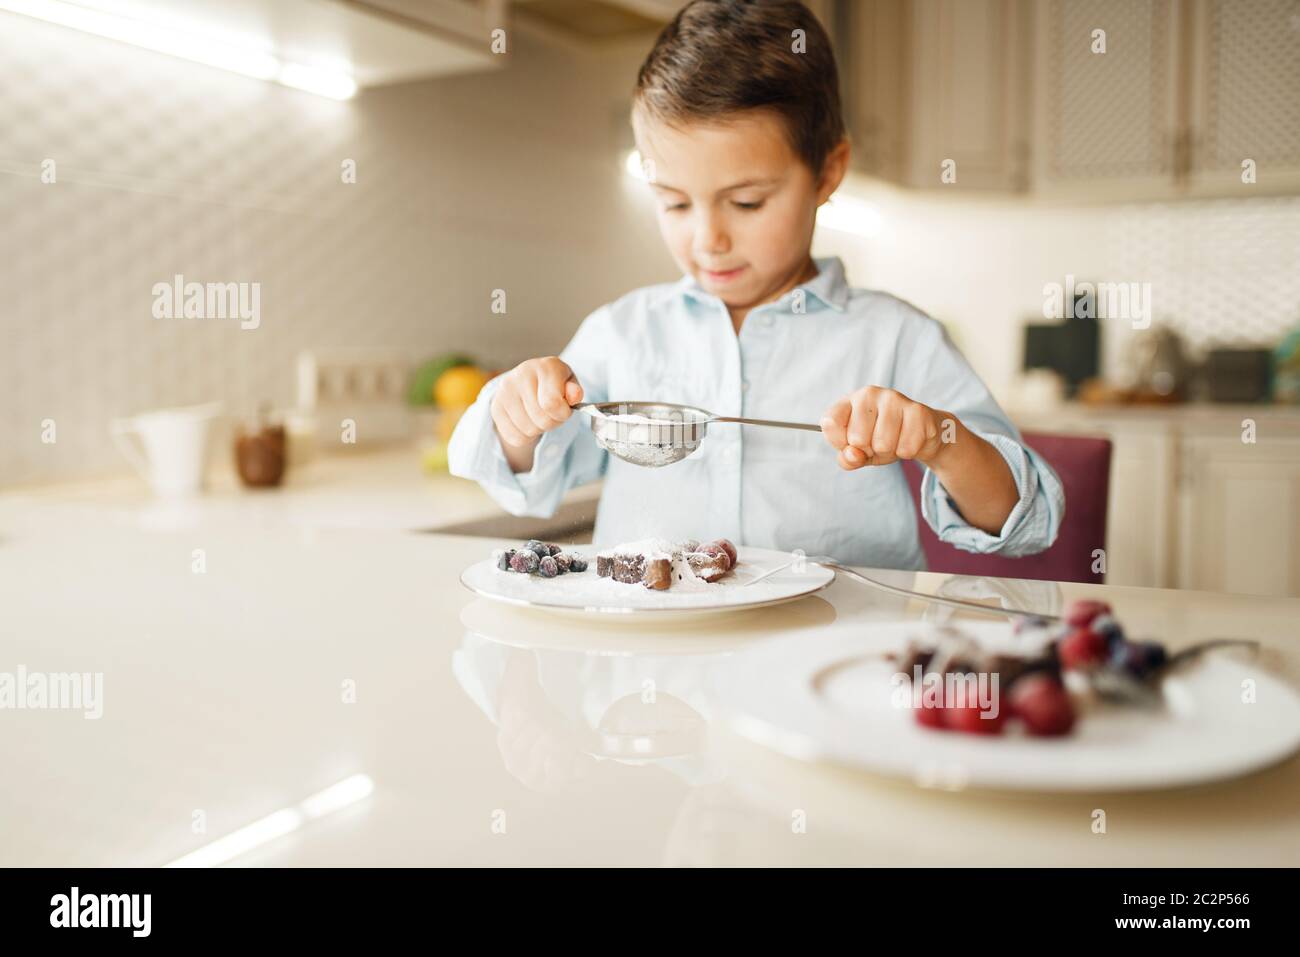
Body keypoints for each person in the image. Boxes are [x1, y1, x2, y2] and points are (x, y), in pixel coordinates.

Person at [450, 0, 1063, 569]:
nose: (708, 239)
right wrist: (517, 418)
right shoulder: (623, 332)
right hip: (654, 672)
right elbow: (528, 483)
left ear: (828, 172)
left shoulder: (896, 338)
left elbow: (1026, 519)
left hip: (836, 661)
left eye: (745, 202)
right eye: (674, 204)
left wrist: (942, 441)